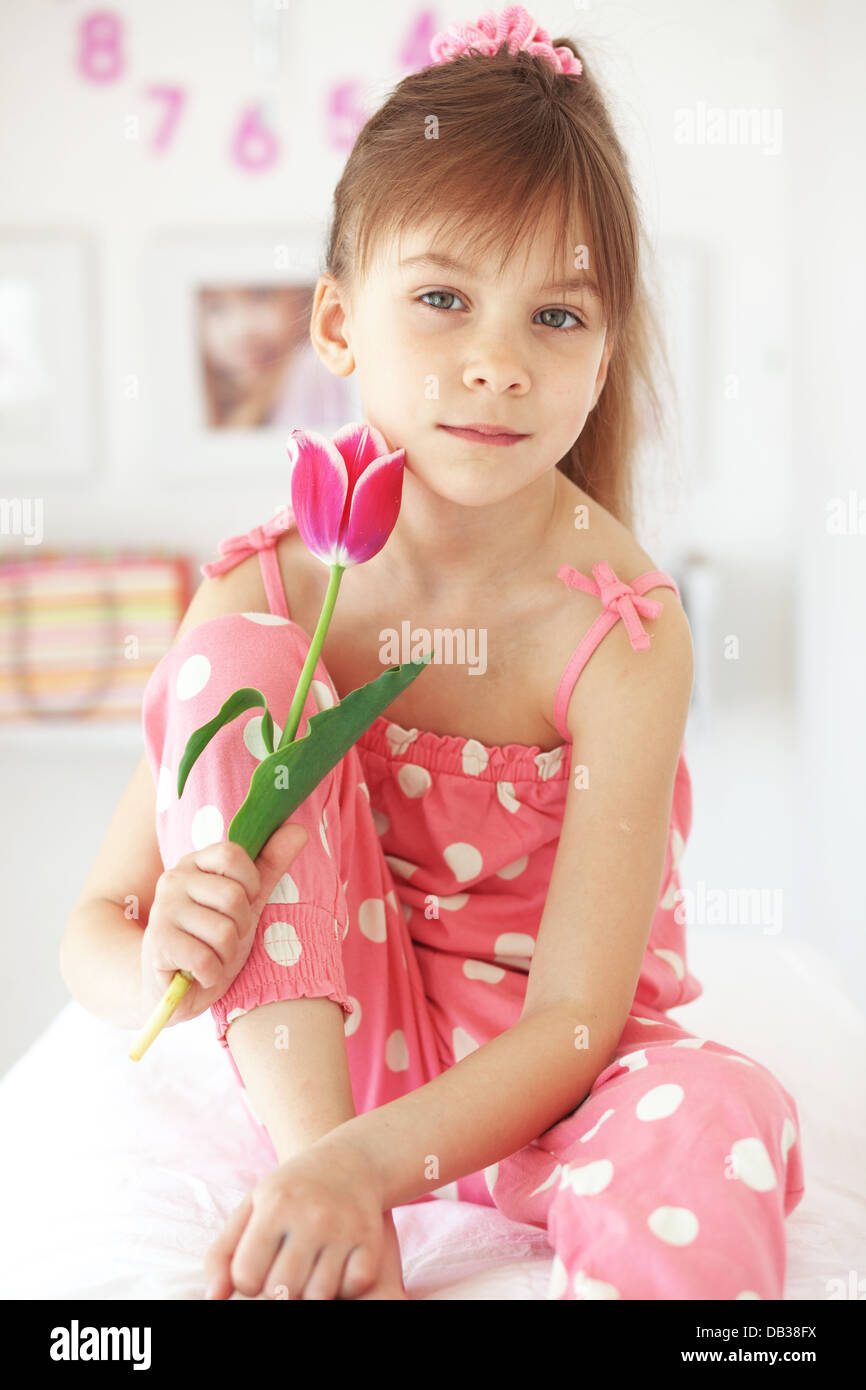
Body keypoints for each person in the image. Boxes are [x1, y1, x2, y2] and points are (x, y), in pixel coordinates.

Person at [60, 4, 804, 1302]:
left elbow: (580, 1012)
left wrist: (382, 1159)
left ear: (604, 346)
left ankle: (355, 1187)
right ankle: (337, 1228)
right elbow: (94, 936)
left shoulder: (619, 624)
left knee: (721, 1103)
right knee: (236, 654)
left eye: (554, 317)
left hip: (537, 1074)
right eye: (443, 299)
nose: (497, 364)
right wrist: (169, 955)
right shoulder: (268, 582)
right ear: (341, 327)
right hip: (329, 1064)